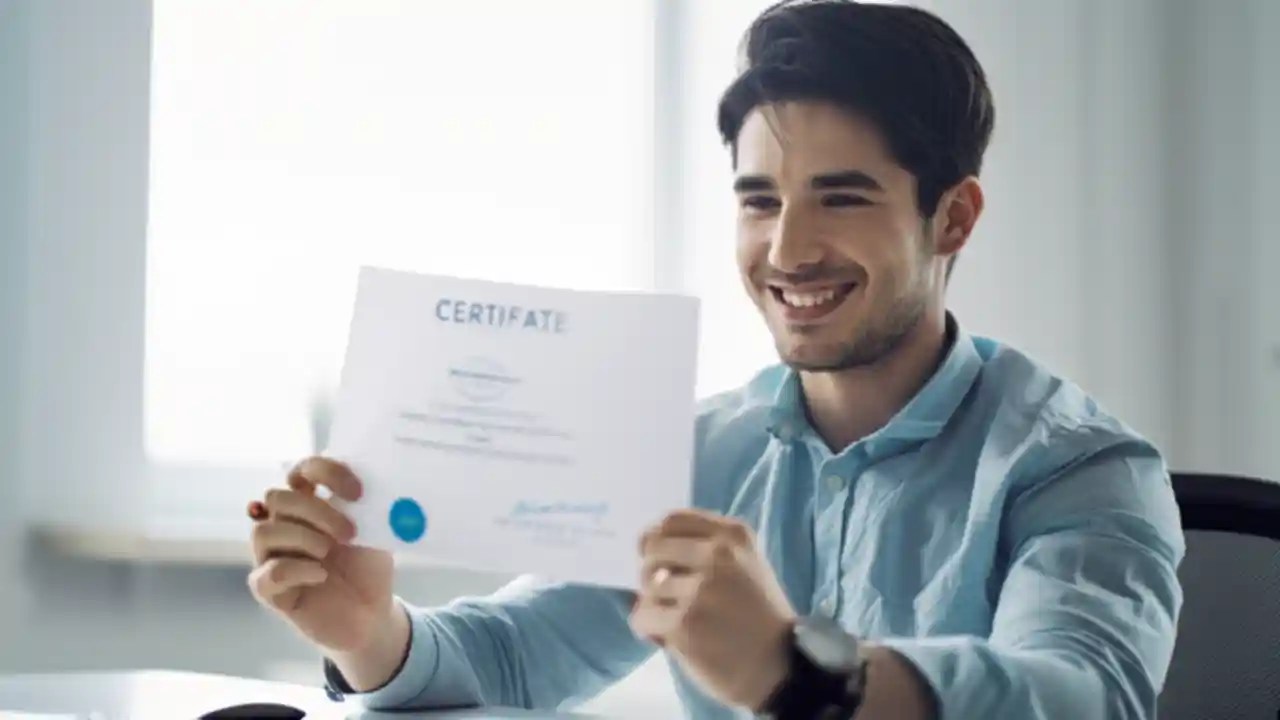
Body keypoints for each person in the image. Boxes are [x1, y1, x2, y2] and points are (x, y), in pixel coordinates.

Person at [246, 2, 1185, 718]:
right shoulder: (695, 453)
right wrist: (370, 634)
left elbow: (1078, 693)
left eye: (842, 198)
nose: (787, 252)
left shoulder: (1082, 468)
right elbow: (516, 656)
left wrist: (810, 678)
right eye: (760, 202)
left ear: (953, 217)